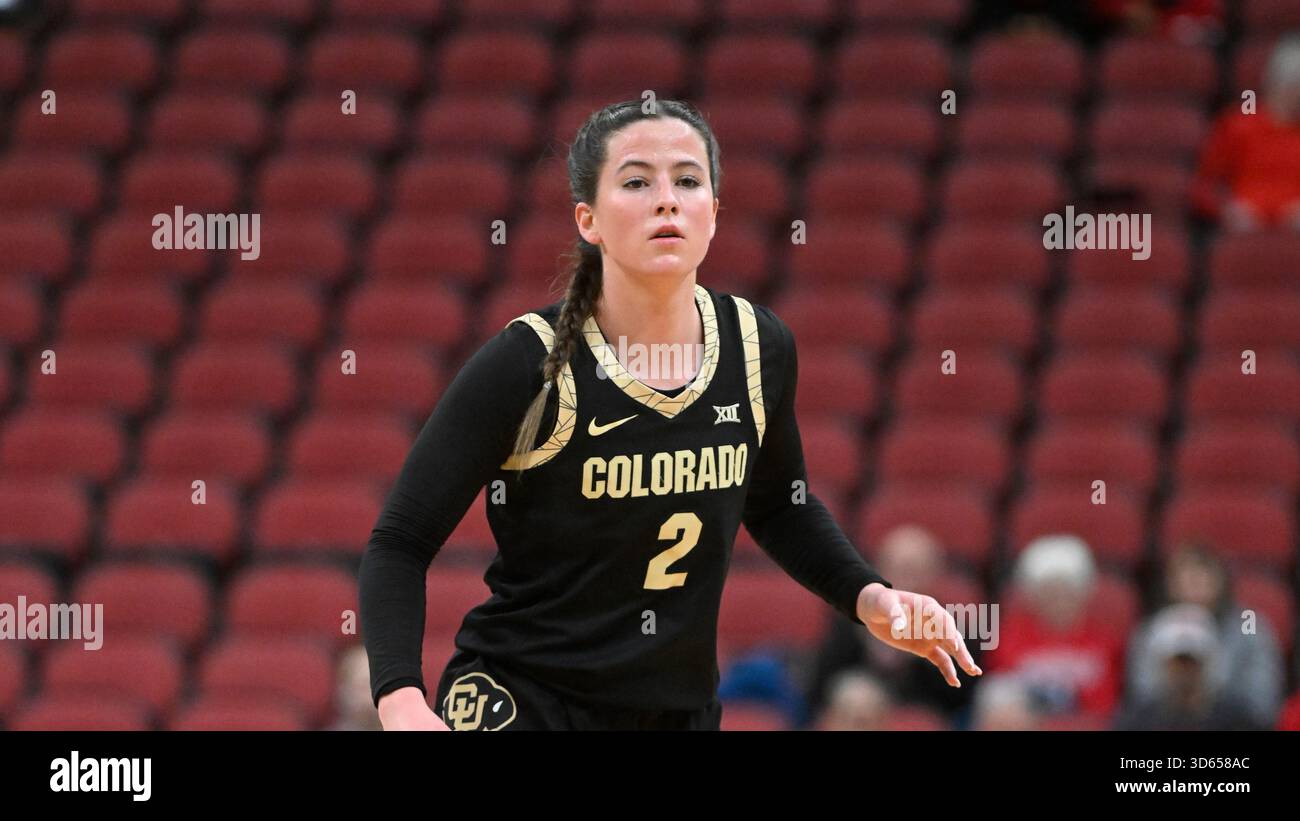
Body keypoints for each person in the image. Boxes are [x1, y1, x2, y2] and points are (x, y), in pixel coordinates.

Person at [358, 99, 981, 731]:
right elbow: (399, 543)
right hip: (526, 699)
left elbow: (779, 506)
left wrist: (870, 598)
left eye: (687, 180)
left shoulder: (757, 345)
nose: (667, 199)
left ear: (714, 213)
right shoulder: (526, 362)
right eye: (636, 181)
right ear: (588, 220)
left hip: (674, 711)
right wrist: (402, 700)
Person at [804, 525, 976, 727]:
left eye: (915, 571)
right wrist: (866, 643)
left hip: (925, 708)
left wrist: (919, 656)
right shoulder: (854, 614)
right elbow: (822, 684)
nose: (906, 579)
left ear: (935, 575)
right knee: (856, 696)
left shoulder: (952, 625)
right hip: (860, 705)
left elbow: (963, 697)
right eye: (897, 568)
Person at [1124, 542, 1283, 728]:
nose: (1195, 584)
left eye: (1202, 575)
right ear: (1171, 583)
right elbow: (1143, 697)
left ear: (1221, 580)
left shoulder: (1248, 624)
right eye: (1187, 577)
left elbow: (1261, 701)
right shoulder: (1152, 629)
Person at [986, 534, 1123, 720]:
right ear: (1032, 595)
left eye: (1067, 590)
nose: (1058, 599)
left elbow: (1107, 703)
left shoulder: (1105, 640)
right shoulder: (1008, 638)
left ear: (1083, 592)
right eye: (1049, 591)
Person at [1193, 35, 1300, 231]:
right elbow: (1204, 186)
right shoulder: (1238, 124)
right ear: (1277, 84)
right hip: (1242, 228)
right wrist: (1226, 210)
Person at [1113, 604, 1264, 730]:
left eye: (1192, 661)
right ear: (1161, 664)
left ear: (1209, 663)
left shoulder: (1239, 720)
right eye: (1178, 662)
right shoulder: (1137, 721)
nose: (1185, 671)